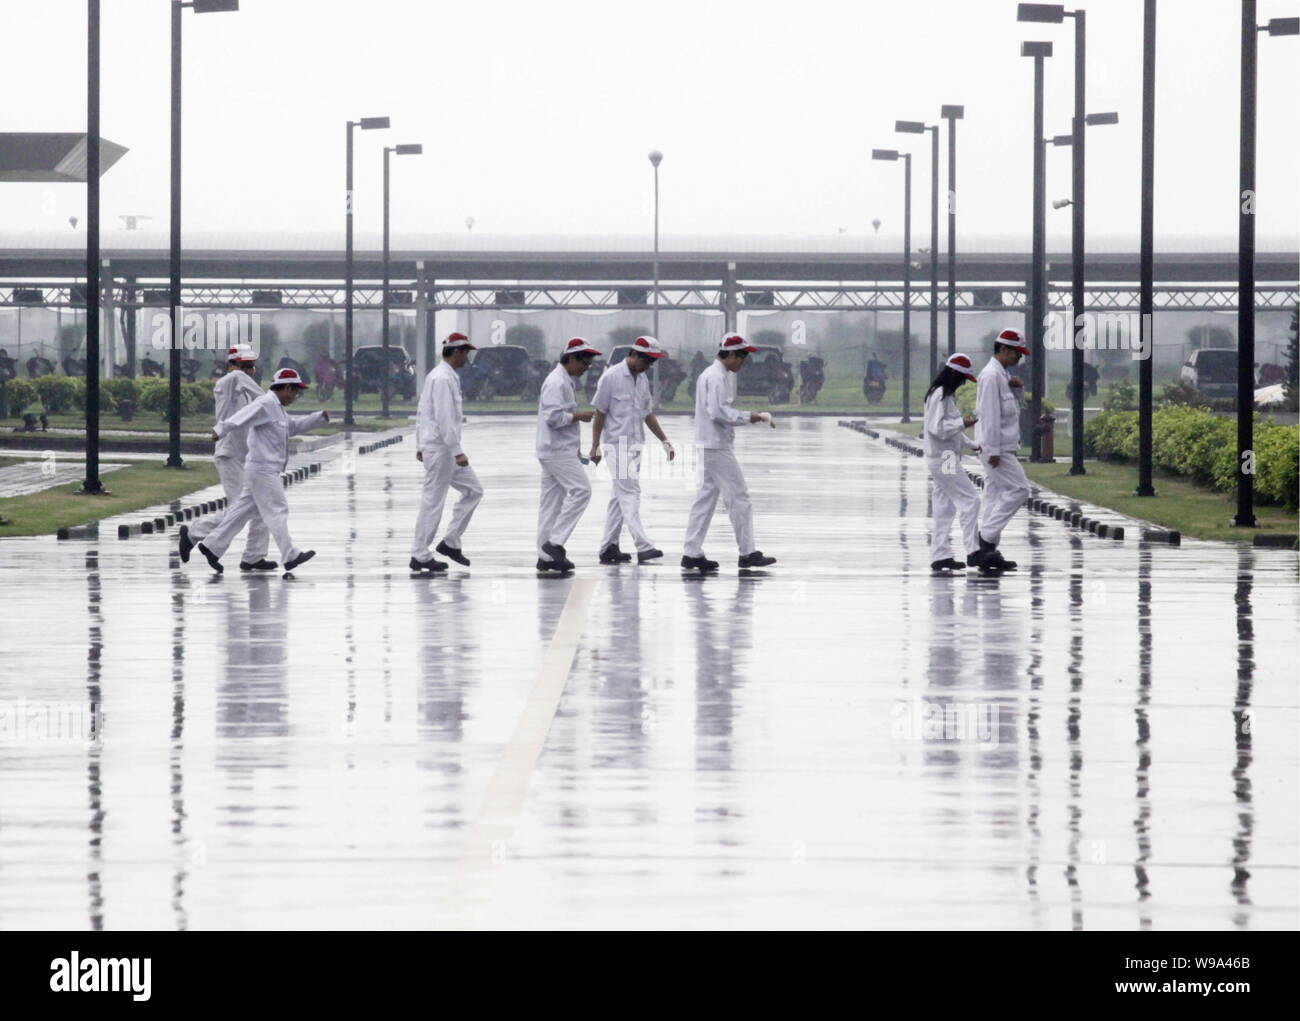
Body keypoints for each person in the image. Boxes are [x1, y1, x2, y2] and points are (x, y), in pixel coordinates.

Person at [193, 367, 329, 574]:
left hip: (262, 469)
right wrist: (220, 430)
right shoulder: (265, 403)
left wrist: (318, 417)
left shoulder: (277, 408)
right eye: (295, 391)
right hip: (263, 469)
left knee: (241, 511)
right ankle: (290, 554)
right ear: (285, 388)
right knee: (277, 510)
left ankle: (212, 546)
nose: (295, 396)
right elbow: (242, 415)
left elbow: (292, 428)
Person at [682, 334, 776, 572]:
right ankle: (747, 552)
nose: (743, 362)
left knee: (705, 499)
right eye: (742, 357)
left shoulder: (712, 374)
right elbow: (718, 412)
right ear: (730, 354)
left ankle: (691, 553)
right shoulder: (715, 377)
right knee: (740, 497)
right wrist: (750, 416)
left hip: (708, 443)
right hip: (716, 446)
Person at [179, 344, 275, 571]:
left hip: (248, 458)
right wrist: (273, 402)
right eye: (243, 366)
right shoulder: (227, 383)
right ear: (230, 365)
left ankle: (254, 556)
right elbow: (244, 383)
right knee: (238, 508)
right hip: (229, 455)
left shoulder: (247, 391)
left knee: (264, 505)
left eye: (251, 366)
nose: (248, 370)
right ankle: (194, 534)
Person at [589, 336, 675, 564]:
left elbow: (647, 414)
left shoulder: (642, 379)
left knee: (619, 497)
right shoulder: (611, 377)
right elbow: (599, 413)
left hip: (636, 445)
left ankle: (608, 547)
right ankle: (643, 545)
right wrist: (595, 446)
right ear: (634, 354)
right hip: (616, 445)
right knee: (631, 493)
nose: (649, 365)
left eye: (652, 362)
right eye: (647, 360)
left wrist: (664, 440)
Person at [410, 332, 484, 572]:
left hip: (441, 449)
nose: (467, 357)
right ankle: (420, 554)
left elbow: (423, 412)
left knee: (474, 491)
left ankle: (451, 541)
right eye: (465, 352)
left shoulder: (444, 376)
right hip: (443, 450)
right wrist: (456, 451)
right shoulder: (441, 378)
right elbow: (443, 418)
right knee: (433, 501)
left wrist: (420, 444)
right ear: (456, 351)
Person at [535, 337, 601, 571]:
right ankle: (555, 543)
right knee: (582, 491)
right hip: (556, 451)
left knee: (551, 504)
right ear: (571, 358)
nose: (587, 368)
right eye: (585, 362)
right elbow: (552, 418)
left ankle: (546, 556)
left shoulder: (565, 380)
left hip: (556, 449)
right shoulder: (556, 383)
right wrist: (577, 416)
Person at [974, 328, 1031, 571]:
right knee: (1020, 489)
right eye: (1016, 353)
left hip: (1003, 447)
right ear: (1004, 349)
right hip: (996, 448)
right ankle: (985, 538)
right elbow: (989, 416)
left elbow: (1012, 410)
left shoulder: (1003, 375)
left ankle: (988, 552)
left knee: (994, 496)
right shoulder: (990, 376)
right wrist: (993, 450)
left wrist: (1017, 389)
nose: (1019, 358)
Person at [922, 353, 982, 573]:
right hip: (944, 458)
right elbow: (937, 429)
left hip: (942, 456)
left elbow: (952, 432)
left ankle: (941, 555)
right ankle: (973, 551)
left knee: (944, 509)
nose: (964, 381)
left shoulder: (942, 394)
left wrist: (972, 444)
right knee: (970, 500)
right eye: (964, 377)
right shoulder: (941, 395)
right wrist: (962, 422)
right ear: (955, 373)